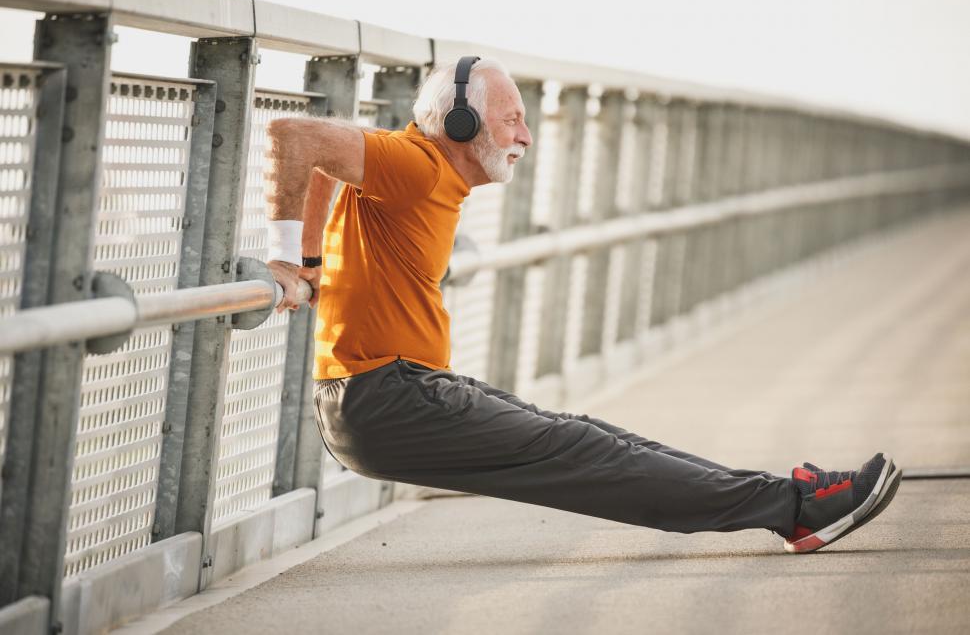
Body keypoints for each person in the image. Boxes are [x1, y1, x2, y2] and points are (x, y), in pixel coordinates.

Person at [262, 56, 901, 554]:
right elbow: (293, 137)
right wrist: (288, 257)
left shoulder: (413, 165)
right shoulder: (419, 165)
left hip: (392, 396)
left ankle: (790, 500)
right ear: (462, 123)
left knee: (596, 440)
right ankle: (795, 510)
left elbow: (322, 162)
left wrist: (312, 262)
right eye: (513, 119)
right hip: (389, 400)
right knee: (596, 457)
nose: (527, 136)